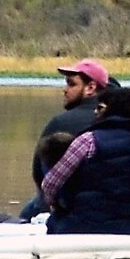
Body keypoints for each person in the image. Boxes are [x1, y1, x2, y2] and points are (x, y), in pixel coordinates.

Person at [38, 78, 130, 235]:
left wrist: (56, 203)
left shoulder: (87, 141)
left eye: (100, 108)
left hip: (81, 223)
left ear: (112, 111)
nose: (95, 112)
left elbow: (51, 183)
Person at [31, 59, 109, 195]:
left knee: (28, 211)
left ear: (90, 88)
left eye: (71, 84)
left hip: (68, 202)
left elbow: (38, 172)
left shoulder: (61, 122)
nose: (65, 90)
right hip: (115, 203)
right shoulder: (122, 120)